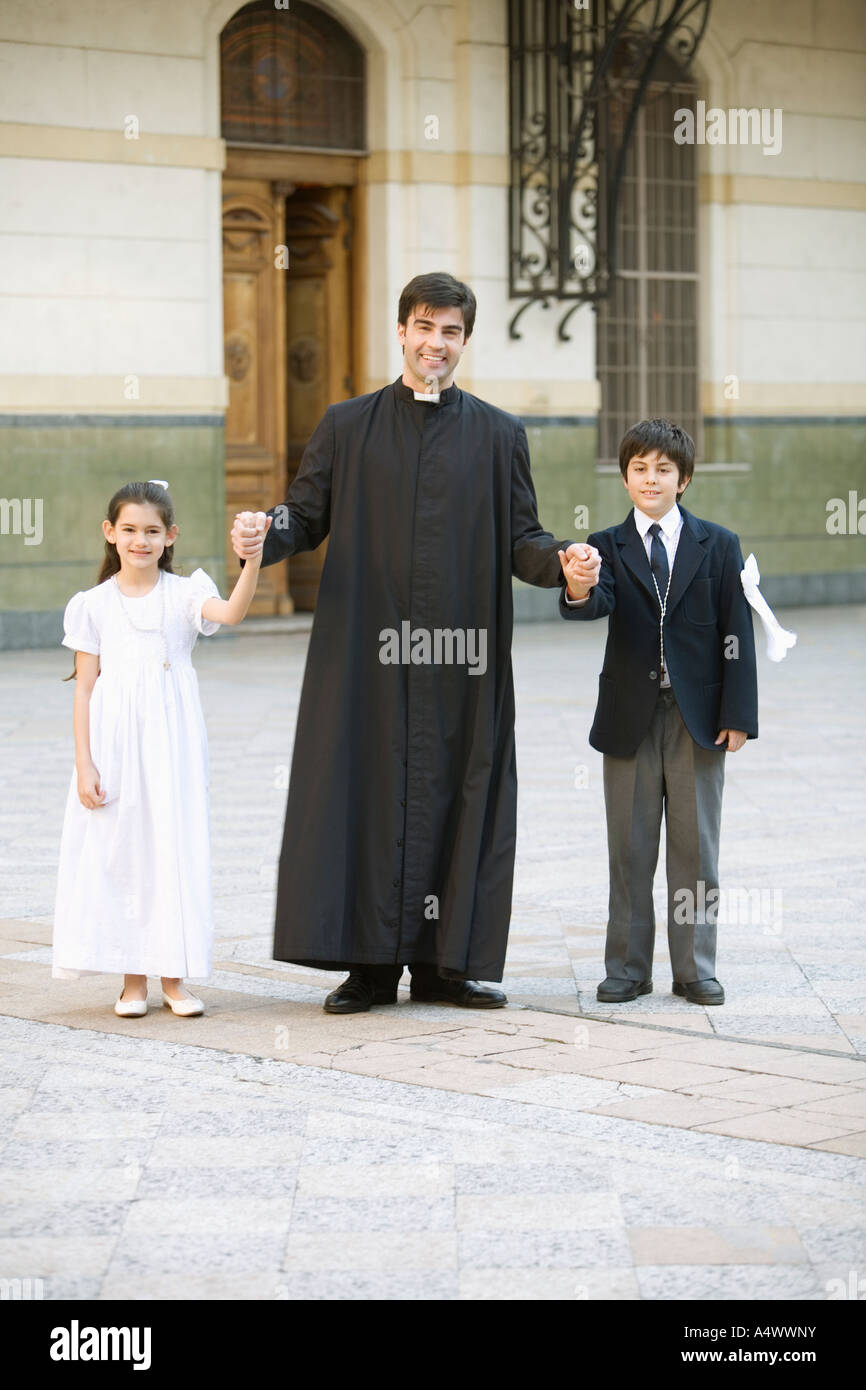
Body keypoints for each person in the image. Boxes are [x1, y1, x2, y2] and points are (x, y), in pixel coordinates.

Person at [232, 271, 600, 1014]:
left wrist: (567, 566)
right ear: (400, 331)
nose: (437, 342)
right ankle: (369, 966)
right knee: (363, 792)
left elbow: (521, 538)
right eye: (425, 327)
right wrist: (263, 533)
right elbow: (304, 517)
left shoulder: (499, 435)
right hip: (364, 655)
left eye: (452, 331)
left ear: (465, 341)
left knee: (459, 791)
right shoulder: (346, 424)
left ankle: (445, 966)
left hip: (462, 658)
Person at [52, 479, 270, 1018]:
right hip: (114, 743)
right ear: (110, 533)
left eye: (152, 531)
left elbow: (232, 614)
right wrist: (85, 763)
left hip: (172, 739)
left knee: (171, 844)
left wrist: (252, 562)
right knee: (125, 849)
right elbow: (84, 687)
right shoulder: (93, 605)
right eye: (129, 530)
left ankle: (174, 978)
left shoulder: (184, 593)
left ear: (170, 536)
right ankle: (132, 981)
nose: (140, 541)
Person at [558, 419, 758, 1005]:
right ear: (625, 478)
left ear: (684, 479)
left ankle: (695, 968)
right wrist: (576, 584)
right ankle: (626, 968)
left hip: (698, 720)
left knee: (696, 849)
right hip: (630, 719)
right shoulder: (607, 545)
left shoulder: (717, 544)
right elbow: (590, 605)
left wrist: (738, 712)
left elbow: (735, 630)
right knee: (630, 848)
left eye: (663, 470)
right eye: (640, 468)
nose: (651, 479)